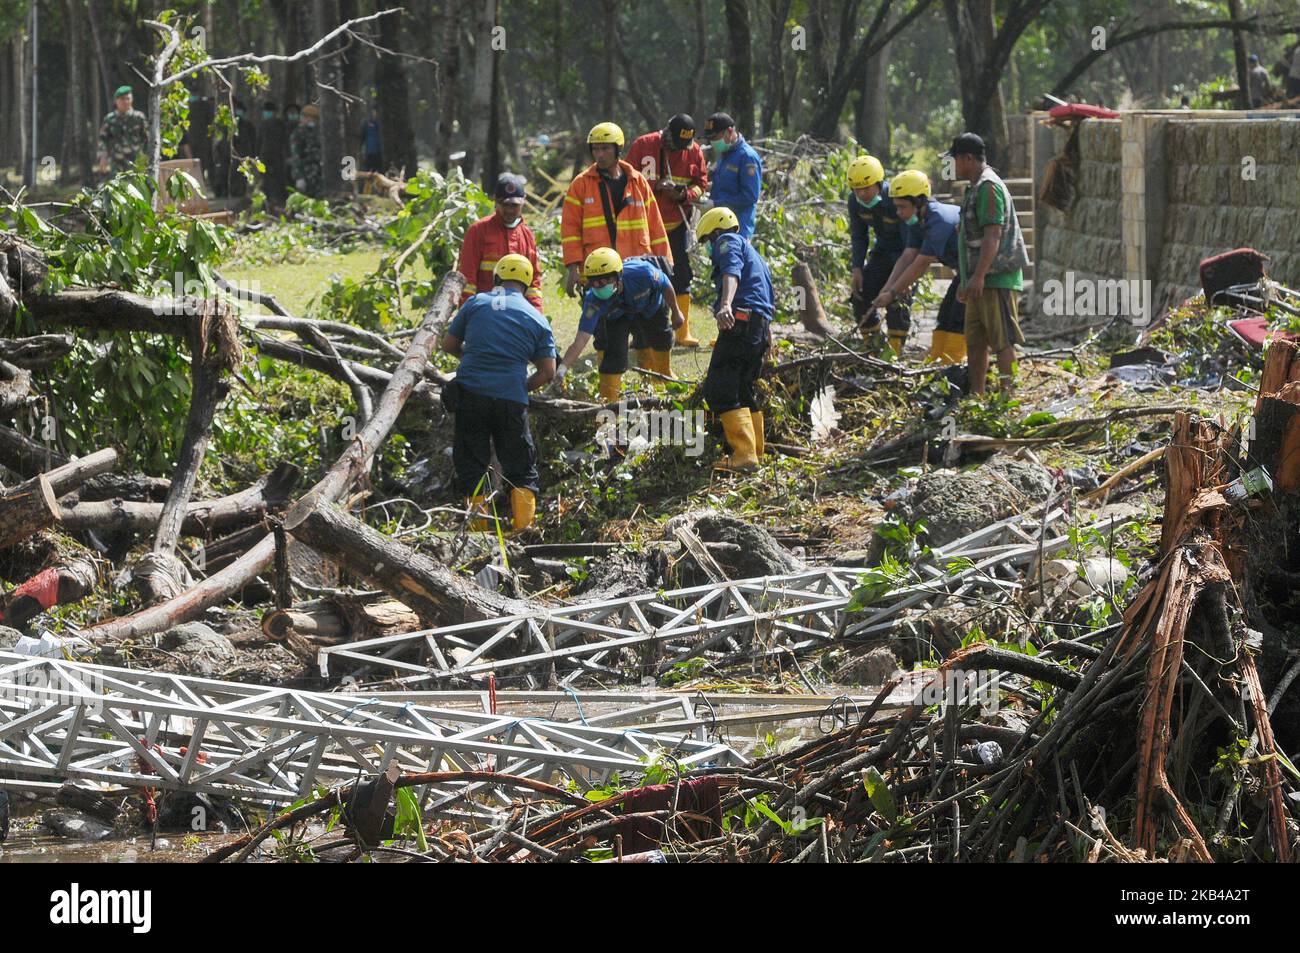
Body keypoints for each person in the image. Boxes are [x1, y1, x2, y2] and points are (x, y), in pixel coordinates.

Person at [441, 254, 557, 532]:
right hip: (511, 402)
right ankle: (523, 531)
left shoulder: (476, 303)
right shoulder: (537, 319)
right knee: (520, 466)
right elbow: (547, 372)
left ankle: (479, 533)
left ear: (496, 278)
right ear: (528, 285)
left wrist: (473, 359)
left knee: (472, 465)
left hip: (471, 395)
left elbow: (449, 344)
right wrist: (520, 387)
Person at [948, 133, 1030, 396]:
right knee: (975, 341)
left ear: (968, 159)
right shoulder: (974, 188)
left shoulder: (989, 187)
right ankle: (977, 396)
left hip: (996, 278)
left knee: (1002, 340)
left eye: (955, 161)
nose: (953, 167)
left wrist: (980, 276)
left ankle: (1009, 397)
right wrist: (966, 278)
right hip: (978, 279)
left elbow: (992, 235)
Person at [696, 207, 774, 470]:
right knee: (744, 388)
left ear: (716, 232)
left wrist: (726, 304)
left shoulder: (727, 241)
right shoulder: (755, 255)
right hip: (757, 326)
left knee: (720, 388)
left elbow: (731, 272)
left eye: (707, 241)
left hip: (740, 321)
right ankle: (755, 452)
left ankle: (743, 455)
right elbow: (765, 295)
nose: (709, 248)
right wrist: (766, 333)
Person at [554, 249, 684, 403]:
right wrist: (562, 370)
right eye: (594, 282)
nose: (599, 287)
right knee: (613, 354)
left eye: (603, 281)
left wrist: (676, 311)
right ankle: (608, 401)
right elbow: (581, 340)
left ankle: (665, 379)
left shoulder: (642, 273)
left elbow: (665, 283)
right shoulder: (593, 301)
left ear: (618, 276)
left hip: (651, 308)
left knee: (661, 339)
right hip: (617, 318)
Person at [560, 122, 673, 298]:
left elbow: (655, 226)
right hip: (599, 273)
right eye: (595, 149)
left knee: (644, 323)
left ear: (618, 149)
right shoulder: (580, 185)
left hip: (638, 269)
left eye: (605, 148)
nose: (599, 154)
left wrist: (666, 262)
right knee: (602, 325)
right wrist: (573, 267)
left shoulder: (637, 181)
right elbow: (570, 231)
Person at [626, 113, 710, 346]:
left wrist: (683, 194)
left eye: (684, 145)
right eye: (675, 143)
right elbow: (625, 179)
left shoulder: (694, 151)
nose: (678, 149)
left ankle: (683, 333)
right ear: (666, 133)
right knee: (641, 278)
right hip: (645, 227)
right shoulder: (644, 145)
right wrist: (655, 186)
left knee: (681, 275)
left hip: (676, 225)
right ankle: (640, 336)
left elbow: (701, 185)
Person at [871, 170, 966, 364]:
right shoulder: (916, 222)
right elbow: (907, 256)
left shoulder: (938, 219)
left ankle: (951, 365)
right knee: (944, 316)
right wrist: (887, 288)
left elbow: (921, 264)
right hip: (963, 273)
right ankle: (936, 364)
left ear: (919, 201)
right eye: (896, 207)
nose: (898, 213)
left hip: (979, 271)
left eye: (902, 207)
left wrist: (892, 294)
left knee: (958, 318)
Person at [846, 153, 910, 356]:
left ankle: (894, 353)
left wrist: (906, 278)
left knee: (897, 300)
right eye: (857, 189)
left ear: (879, 183)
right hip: (882, 253)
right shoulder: (854, 202)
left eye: (866, 188)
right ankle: (873, 349)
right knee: (860, 295)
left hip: (907, 254)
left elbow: (912, 240)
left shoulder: (896, 198)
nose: (862, 193)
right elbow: (859, 236)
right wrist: (856, 268)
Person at [456, 173, 545, 313]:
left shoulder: (527, 236)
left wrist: (536, 316)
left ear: (523, 202)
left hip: (516, 314)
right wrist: (468, 315)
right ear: (495, 202)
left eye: (514, 206)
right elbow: (468, 279)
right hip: (485, 312)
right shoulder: (478, 231)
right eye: (505, 205)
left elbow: (534, 284)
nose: (509, 210)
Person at [702, 112, 762, 240]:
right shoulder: (725, 155)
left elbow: (750, 197)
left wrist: (715, 204)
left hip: (738, 230)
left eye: (715, 138)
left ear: (729, 132)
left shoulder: (747, 157)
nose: (712, 142)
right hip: (719, 227)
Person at [97, 85, 148, 176]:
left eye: (127, 98)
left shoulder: (139, 117)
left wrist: (147, 157)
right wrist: (103, 156)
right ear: (116, 101)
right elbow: (102, 139)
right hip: (117, 163)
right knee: (118, 188)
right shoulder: (110, 120)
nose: (125, 101)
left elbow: (147, 139)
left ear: (132, 100)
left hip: (137, 162)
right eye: (122, 99)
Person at [258, 101, 289, 206]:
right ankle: (270, 204)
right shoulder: (263, 125)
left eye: (268, 111)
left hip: (277, 159)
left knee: (277, 183)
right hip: (266, 159)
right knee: (267, 183)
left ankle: (277, 204)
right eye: (266, 111)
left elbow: (284, 142)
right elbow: (259, 142)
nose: (266, 114)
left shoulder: (280, 125)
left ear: (274, 112)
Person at [289, 104, 324, 198]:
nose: (311, 120)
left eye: (314, 119)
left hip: (318, 173)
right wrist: (299, 177)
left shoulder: (318, 133)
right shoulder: (298, 134)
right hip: (305, 171)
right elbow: (296, 156)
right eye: (308, 117)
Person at [359, 108, 384, 173]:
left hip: (378, 152)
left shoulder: (378, 124)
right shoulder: (366, 124)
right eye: (373, 112)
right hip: (369, 152)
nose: (374, 114)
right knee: (369, 171)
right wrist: (362, 150)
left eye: (375, 112)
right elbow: (362, 138)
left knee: (378, 171)